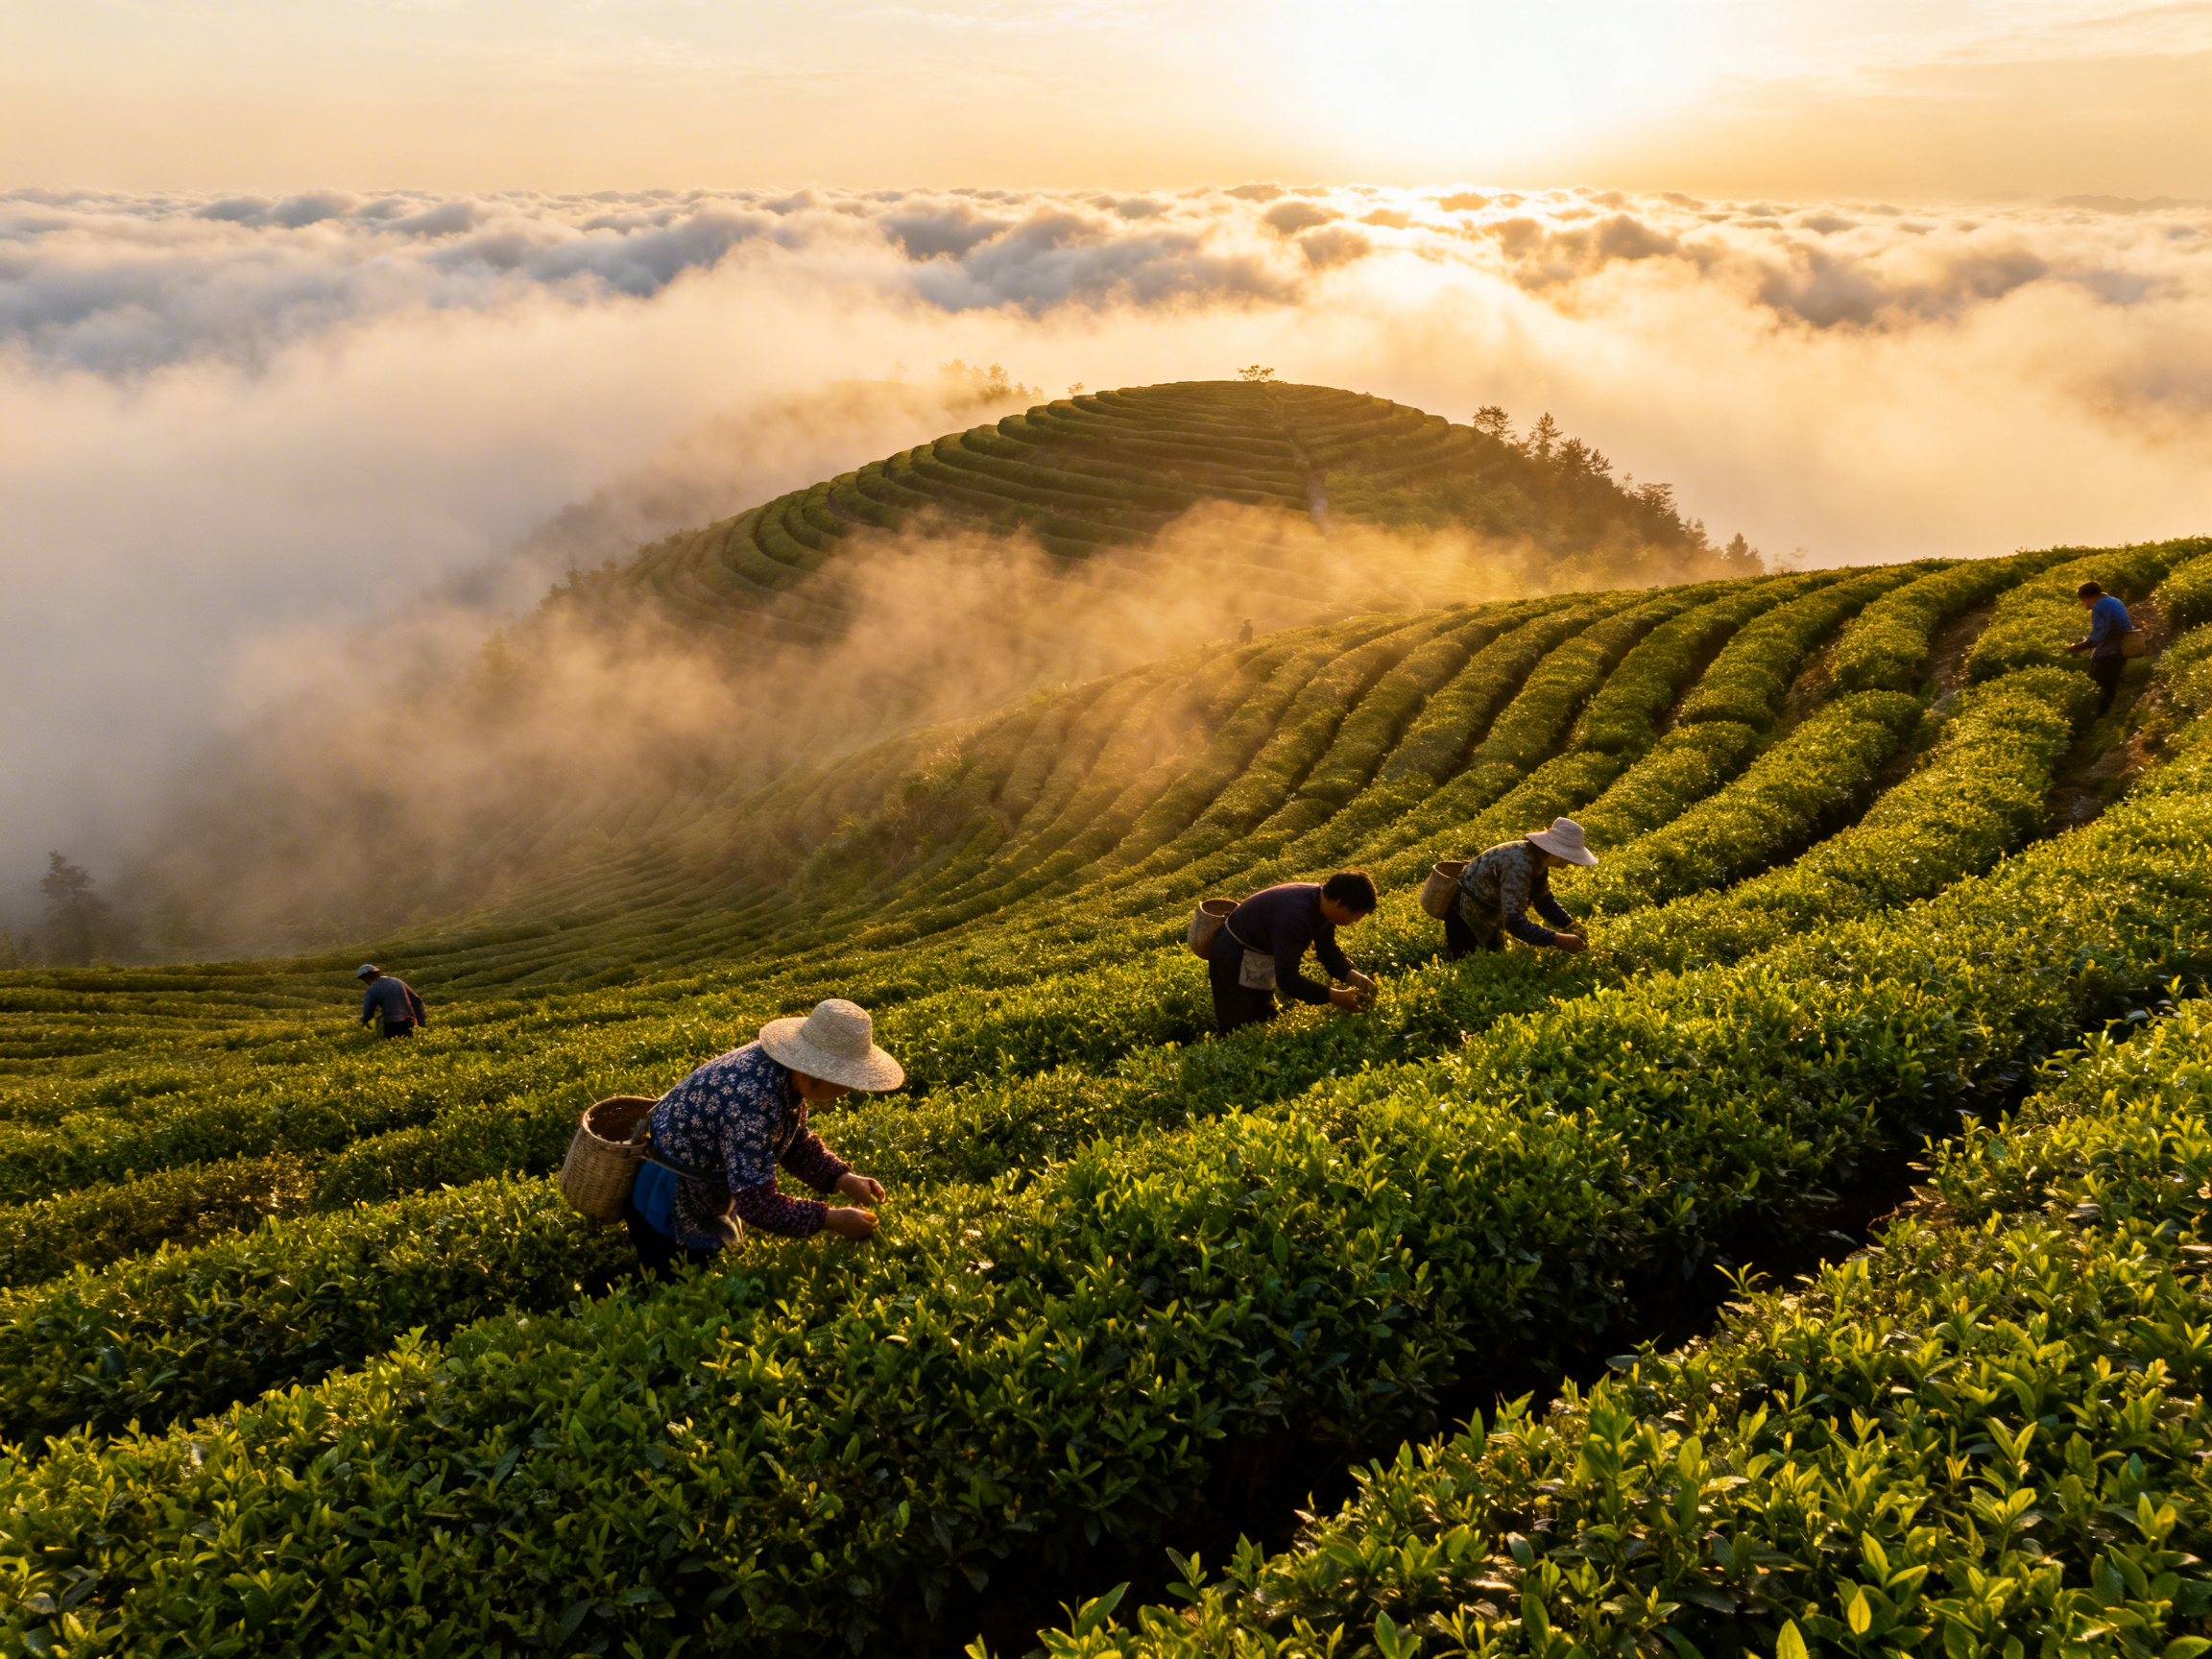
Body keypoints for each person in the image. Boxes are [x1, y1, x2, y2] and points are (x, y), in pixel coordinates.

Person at [623, 998, 901, 1279]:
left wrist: (843, 1178)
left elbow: (794, 1142)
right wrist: (832, 1219)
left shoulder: (783, 1071)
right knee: (682, 1280)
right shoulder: (754, 1102)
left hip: (705, 1185)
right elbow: (757, 1205)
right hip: (669, 1200)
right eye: (846, 1081)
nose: (848, 1089)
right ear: (816, 1073)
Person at [1210, 871, 1379, 1035]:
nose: (1355, 921)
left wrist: (1352, 976)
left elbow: (1327, 951)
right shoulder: (1295, 916)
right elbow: (1287, 980)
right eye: (1356, 916)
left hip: (1256, 953)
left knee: (1263, 1014)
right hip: (1232, 955)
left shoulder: (1320, 903)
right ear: (1340, 903)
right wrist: (1335, 996)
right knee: (1238, 1024)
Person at [1448, 818, 1596, 959]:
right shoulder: (1518, 864)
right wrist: (1557, 939)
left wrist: (1571, 926)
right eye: (1569, 856)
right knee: (1475, 961)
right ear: (1557, 851)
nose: (1570, 862)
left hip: (1487, 911)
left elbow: (1544, 902)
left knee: (1495, 957)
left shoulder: (1538, 860)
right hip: (1465, 915)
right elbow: (1514, 923)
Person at [2064, 580, 2134, 715]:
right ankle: (2106, 717)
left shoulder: (2099, 607)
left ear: (2087, 597)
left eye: (2083, 601)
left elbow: (2098, 636)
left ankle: (2098, 718)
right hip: (2121, 650)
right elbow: (2125, 626)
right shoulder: (2115, 601)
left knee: (2098, 688)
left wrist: (2078, 647)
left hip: (2107, 653)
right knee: (2111, 686)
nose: (2084, 605)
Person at [355, 964, 427, 1038]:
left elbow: (368, 1012)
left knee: (393, 1043)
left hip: (392, 1025)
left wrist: (364, 1023)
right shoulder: (397, 981)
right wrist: (421, 1024)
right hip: (409, 1021)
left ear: (366, 978)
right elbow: (417, 1001)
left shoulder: (372, 990)